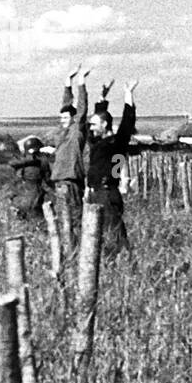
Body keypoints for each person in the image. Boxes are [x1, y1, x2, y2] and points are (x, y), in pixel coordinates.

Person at [85, 80, 136, 257]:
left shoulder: (116, 143)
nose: (90, 128)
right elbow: (98, 115)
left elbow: (128, 123)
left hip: (108, 193)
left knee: (113, 235)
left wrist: (128, 94)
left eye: (94, 124)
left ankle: (124, 265)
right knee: (98, 235)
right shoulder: (97, 142)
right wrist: (102, 97)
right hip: (96, 192)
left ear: (105, 125)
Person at [51, 65, 89, 244]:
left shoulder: (76, 131)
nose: (62, 121)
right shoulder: (61, 132)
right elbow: (66, 106)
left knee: (75, 219)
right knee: (63, 220)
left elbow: (80, 109)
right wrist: (67, 82)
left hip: (72, 182)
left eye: (66, 118)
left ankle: (77, 248)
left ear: (73, 120)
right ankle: (68, 249)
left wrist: (81, 83)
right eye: (61, 118)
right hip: (60, 182)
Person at [7, 135, 52, 221]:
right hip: (34, 197)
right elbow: (48, 180)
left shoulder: (20, 163)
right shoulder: (40, 163)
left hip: (19, 197)